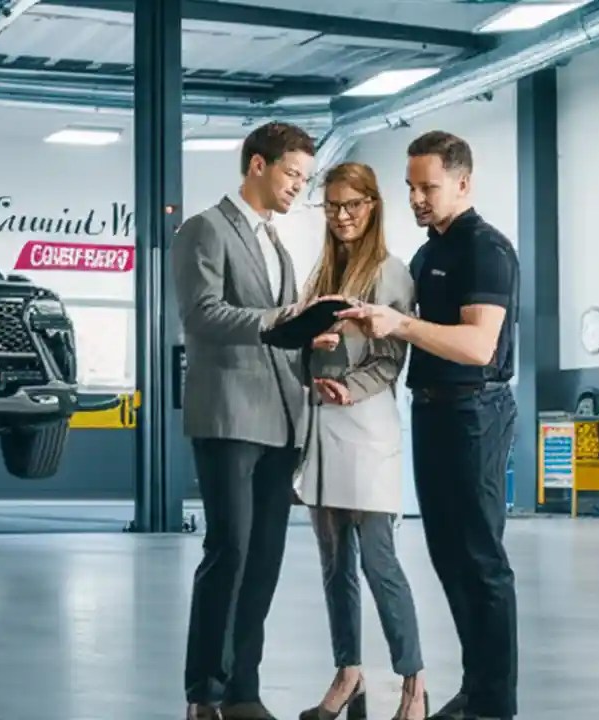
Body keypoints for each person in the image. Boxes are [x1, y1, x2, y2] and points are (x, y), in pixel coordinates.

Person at [335, 131, 520, 720]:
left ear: (463, 183)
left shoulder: (485, 249)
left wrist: (402, 326)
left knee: (481, 560)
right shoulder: (427, 252)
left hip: (475, 412)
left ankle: (494, 704)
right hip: (433, 410)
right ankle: (475, 688)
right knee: (447, 555)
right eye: (410, 186)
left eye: (428, 186)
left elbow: (479, 345)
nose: (416, 197)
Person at [171, 121, 320, 720]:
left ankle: (243, 691)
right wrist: (277, 320)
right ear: (257, 165)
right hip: (230, 414)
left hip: (282, 420)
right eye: (292, 175)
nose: (297, 189)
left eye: (305, 180)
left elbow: (279, 329)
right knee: (228, 551)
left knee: (264, 560)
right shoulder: (204, 229)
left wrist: (311, 331)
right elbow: (202, 314)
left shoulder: (279, 244)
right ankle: (204, 693)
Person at [287, 162, 428, 720]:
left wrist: (347, 387)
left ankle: (413, 685)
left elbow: (391, 359)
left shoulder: (391, 274)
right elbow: (298, 346)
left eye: (353, 205)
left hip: (366, 428)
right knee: (333, 565)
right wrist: (307, 362)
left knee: (378, 561)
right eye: (332, 206)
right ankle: (348, 674)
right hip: (321, 428)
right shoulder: (319, 274)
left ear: (373, 205)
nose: (342, 216)